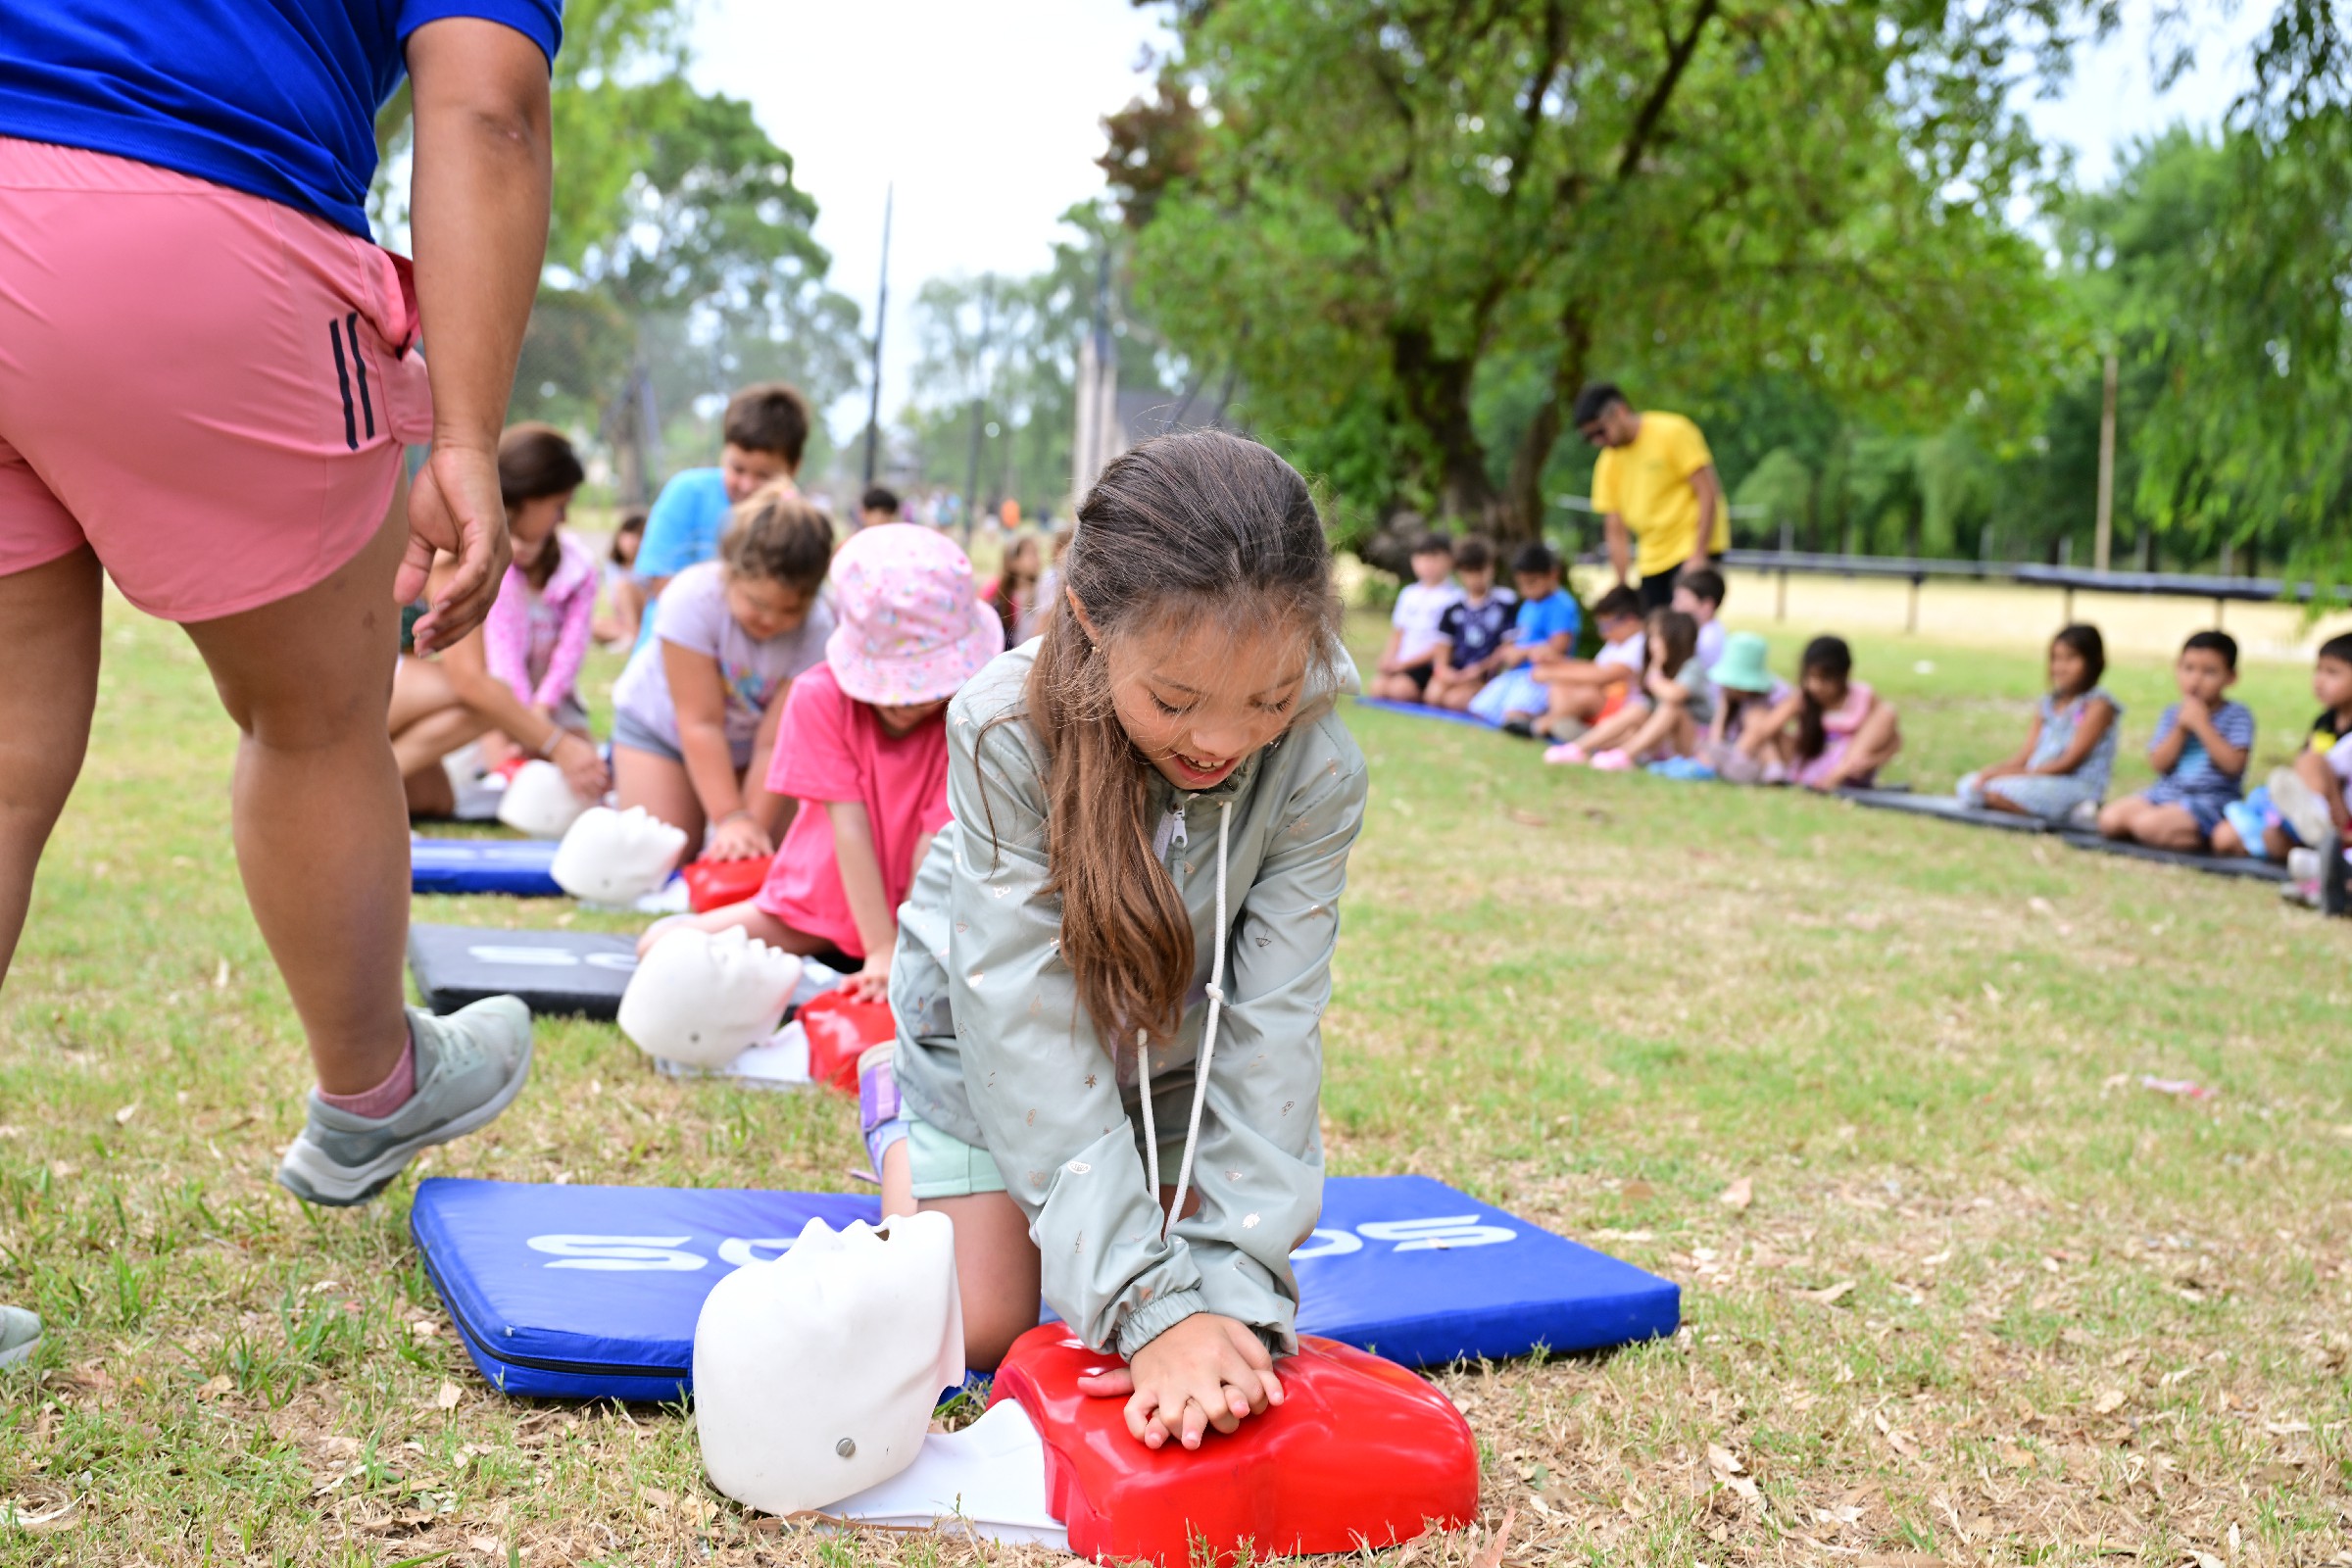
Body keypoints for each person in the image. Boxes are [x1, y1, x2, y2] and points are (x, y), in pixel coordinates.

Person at [0, 3, 564, 1223]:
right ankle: (374, 1084)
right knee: (311, 716)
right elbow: (487, 108)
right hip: (197, 209)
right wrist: (466, 434)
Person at [875, 430, 1368, 1455]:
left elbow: (1272, 1028)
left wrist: (1224, 1296)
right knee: (988, 1320)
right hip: (984, 1040)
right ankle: (898, 1110)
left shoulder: (1318, 764)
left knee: (1215, 1277)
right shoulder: (1001, 728)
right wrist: (1151, 1308)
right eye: (1177, 702)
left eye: (1269, 700)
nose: (1225, 742)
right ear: (1094, 622)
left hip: (1168, 1047)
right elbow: (1022, 1017)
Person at [639, 524, 1002, 1004]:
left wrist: (903, 948)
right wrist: (877, 947)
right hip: (816, 903)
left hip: (924, 909)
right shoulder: (819, 697)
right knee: (659, 945)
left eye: (924, 686)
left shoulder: (967, 712)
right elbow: (846, 826)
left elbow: (932, 844)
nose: (909, 703)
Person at [388, 424, 609, 817]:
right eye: (558, 505)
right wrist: (558, 744)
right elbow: (471, 682)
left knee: (432, 802)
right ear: (529, 497)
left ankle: (373, 778)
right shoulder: (459, 546)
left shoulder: (489, 545)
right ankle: (367, 787)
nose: (562, 518)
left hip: (396, 686)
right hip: (368, 683)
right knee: (487, 698)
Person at [611, 486, 836, 858]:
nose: (771, 620)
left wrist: (748, 832)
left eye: (789, 611)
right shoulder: (692, 598)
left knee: (774, 852)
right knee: (666, 851)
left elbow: (774, 741)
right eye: (757, 603)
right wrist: (731, 817)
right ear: (731, 572)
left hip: (751, 746)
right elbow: (700, 723)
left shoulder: (819, 627)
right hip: (662, 731)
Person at [630, 383, 810, 647]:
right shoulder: (687, 492)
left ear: (794, 468)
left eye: (764, 475)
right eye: (737, 468)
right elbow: (661, 584)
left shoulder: (796, 521)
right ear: (723, 452)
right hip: (674, 654)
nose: (747, 485)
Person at [1576, 382, 1726, 611]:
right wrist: (1622, 583)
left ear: (1621, 411)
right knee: (1653, 632)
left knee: (1684, 630)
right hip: (1652, 558)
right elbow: (1615, 527)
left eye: (1600, 431)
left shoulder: (1672, 431)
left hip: (1689, 548)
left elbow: (1707, 492)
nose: (1598, 441)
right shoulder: (1608, 462)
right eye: (1590, 438)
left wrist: (1698, 555)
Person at [2097, 631, 2252, 853]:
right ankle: (2165, 829)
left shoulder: (2237, 715)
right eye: (2189, 669)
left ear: (2231, 677)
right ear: (2177, 668)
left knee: (2147, 826)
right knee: (2109, 820)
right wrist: (2181, 728)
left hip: (2208, 804)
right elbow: (2158, 763)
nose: (2196, 680)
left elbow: (2234, 766)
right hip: (2163, 796)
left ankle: (2199, 835)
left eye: (2209, 672)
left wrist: (2202, 725)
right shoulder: (2172, 714)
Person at [1956, 624, 2120, 826]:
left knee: (1995, 792)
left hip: (2073, 784)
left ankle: (2075, 811)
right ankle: (2033, 808)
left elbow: (2068, 763)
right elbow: (2026, 755)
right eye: (2056, 659)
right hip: (2034, 778)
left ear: (2093, 662)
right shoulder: (2048, 703)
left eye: (2070, 658)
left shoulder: (2099, 706)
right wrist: (1996, 771)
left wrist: (2009, 776)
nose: (2061, 667)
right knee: (1970, 784)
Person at [2217, 632, 2352, 861]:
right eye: (2318, 670)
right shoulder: (2324, 723)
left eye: (2332, 672)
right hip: (2307, 816)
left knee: (2311, 761)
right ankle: (2318, 854)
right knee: (2228, 838)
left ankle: (2331, 839)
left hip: (2343, 820)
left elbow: (2319, 768)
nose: (2319, 681)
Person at [1546, 609, 1707, 768]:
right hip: (1663, 740)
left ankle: (1624, 755)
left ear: (1674, 639)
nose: (1652, 644)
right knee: (1639, 708)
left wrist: (1655, 669)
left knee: (1671, 707)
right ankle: (1579, 748)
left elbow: (1675, 695)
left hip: (1693, 744)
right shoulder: (1661, 669)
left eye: (1657, 637)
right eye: (1651, 638)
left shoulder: (1692, 665)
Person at [1753, 635, 1902, 790]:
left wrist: (1872, 761)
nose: (1815, 686)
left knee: (1887, 712)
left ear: (1844, 674)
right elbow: (1764, 731)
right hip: (1807, 764)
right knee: (1757, 715)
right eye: (1810, 677)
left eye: (1824, 678)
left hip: (1847, 769)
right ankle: (1774, 770)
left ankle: (1834, 778)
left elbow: (1893, 741)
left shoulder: (1863, 697)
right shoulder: (1802, 699)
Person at [1468, 544, 1581, 731]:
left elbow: (1559, 648)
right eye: (1521, 584)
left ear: (1552, 575)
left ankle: (1538, 723)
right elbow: (1519, 637)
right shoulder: (1529, 604)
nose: (1526, 590)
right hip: (1517, 674)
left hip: (1542, 677)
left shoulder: (1561, 605)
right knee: (1480, 709)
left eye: (1532, 582)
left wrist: (1523, 653)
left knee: (1514, 714)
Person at [1528, 585, 1646, 740]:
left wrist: (1552, 672)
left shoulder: (1640, 643)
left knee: (1585, 693)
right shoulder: (1617, 643)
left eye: (1606, 626)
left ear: (1630, 620)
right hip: (1605, 707)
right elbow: (1594, 668)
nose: (1603, 633)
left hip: (1627, 711)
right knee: (1561, 686)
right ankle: (1562, 726)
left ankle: (1547, 724)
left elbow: (1604, 675)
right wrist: (1557, 662)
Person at [1425, 536, 1517, 711]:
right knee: (1433, 695)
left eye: (1479, 570)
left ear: (1491, 568)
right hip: (1456, 671)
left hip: (1484, 675)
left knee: (1455, 701)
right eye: (1468, 572)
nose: (1474, 578)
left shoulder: (1505, 602)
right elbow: (1442, 647)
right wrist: (1445, 672)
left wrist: (1479, 670)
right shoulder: (1452, 605)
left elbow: (1507, 647)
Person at [1367, 532, 1461, 703]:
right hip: (1402, 661)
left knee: (1399, 691)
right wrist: (1388, 658)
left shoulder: (1454, 598)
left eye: (1434, 558)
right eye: (1422, 558)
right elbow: (1398, 632)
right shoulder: (1409, 593)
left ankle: (1424, 692)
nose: (1427, 565)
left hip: (1426, 664)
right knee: (1377, 687)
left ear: (1449, 560)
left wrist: (1405, 664)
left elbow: (1443, 645)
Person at [1693, 632, 1789, 784]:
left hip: (1758, 752)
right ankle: (1746, 764)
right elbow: (1716, 741)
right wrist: (1724, 708)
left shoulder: (1777, 694)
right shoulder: (1723, 692)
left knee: (1755, 715)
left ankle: (1771, 766)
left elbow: (1765, 731)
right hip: (1733, 750)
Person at [1672, 566, 1729, 706]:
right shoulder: (1711, 631)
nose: (1674, 607)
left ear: (1706, 605)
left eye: (1682, 600)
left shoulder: (1706, 640)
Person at [593, 507, 647, 647]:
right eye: (627, 534)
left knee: (623, 586)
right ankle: (632, 636)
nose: (632, 541)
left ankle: (633, 636)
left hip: (646, 617)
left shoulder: (649, 564)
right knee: (590, 624)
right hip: (625, 622)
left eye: (638, 536)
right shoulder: (612, 565)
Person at [982, 533, 1043, 646]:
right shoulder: (997, 591)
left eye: (1037, 552)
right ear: (1013, 562)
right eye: (1030, 554)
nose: (1036, 558)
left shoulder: (1042, 589)